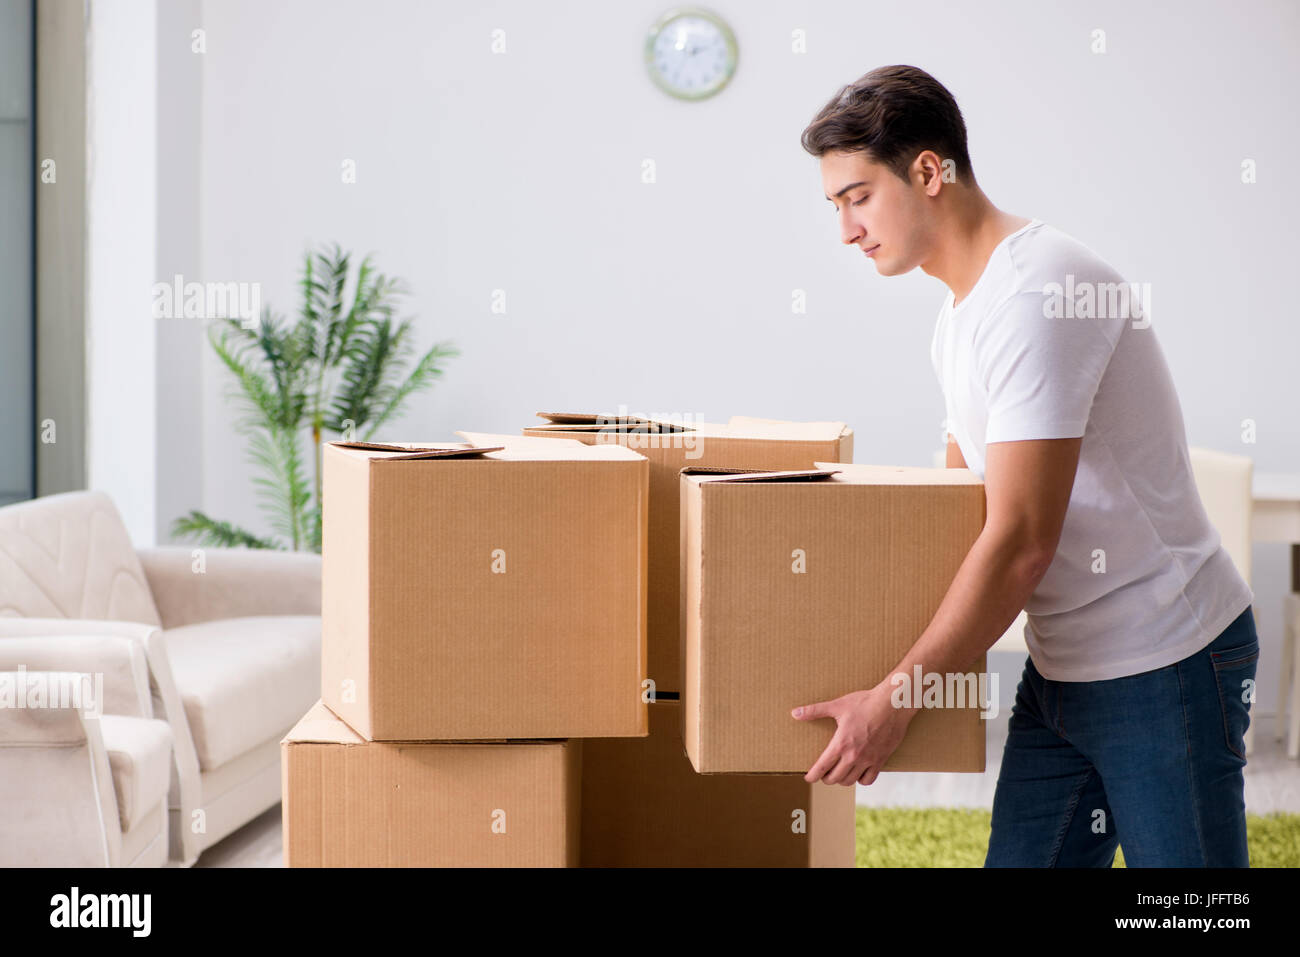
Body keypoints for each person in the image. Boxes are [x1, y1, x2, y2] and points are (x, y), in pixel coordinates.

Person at [790, 64, 1258, 867]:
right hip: (1062, 666)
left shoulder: (1042, 291)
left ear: (929, 171)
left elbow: (1018, 539)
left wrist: (898, 699)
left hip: (1166, 660)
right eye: (834, 206)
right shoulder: (958, 318)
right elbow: (958, 509)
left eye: (858, 197)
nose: (845, 230)